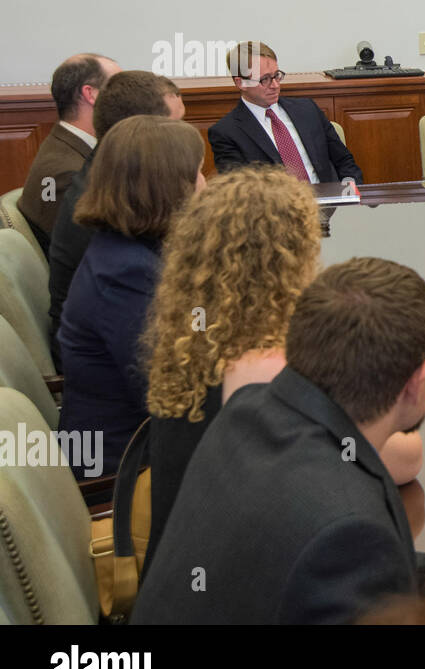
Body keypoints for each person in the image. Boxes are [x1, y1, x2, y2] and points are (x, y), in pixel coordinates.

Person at [132, 256, 425, 624]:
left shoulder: (249, 412)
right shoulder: (345, 531)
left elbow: (376, 573)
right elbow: (355, 558)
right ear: (416, 381)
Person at [141, 166, 424, 574]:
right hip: (241, 585)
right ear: (291, 261)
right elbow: (405, 459)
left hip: (177, 575)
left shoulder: (188, 341)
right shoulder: (270, 369)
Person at [56, 116, 205, 478]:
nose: (206, 183)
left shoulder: (130, 247)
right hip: (127, 472)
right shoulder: (126, 274)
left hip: (148, 448)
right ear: (168, 185)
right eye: (198, 172)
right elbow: (176, 399)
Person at [47, 71, 185, 364]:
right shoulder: (109, 220)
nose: (184, 140)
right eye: (176, 129)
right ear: (140, 135)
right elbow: (156, 371)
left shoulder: (113, 182)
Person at [207, 40, 363, 185]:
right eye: (265, 79)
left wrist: (349, 191)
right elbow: (242, 193)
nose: (275, 85)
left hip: (330, 206)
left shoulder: (307, 110)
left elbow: (344, 162)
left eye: (277, 75)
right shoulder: (226, 133)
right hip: (276, 211)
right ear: (241, 83)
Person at [17, 53, 119, 255]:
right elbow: (98, 252)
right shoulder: (67, 173)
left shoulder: (64, 148)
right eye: (117, 87)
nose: (126, 96)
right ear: (91, 94)